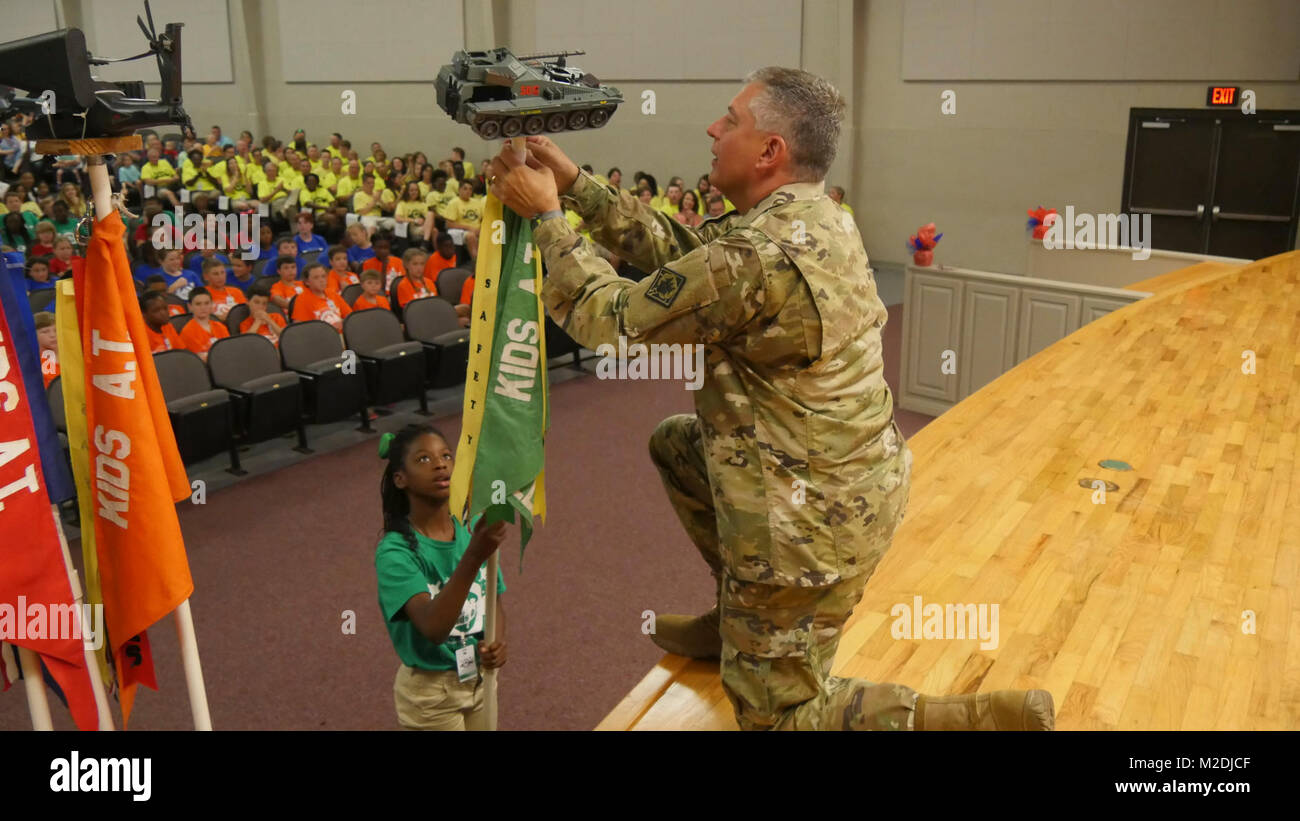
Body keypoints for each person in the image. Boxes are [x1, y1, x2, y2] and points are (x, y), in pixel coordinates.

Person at [486, 66, 1054, 732]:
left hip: (808, 526)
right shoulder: (816, 217)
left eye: (730, 119)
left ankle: (976, 719)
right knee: (677, 443)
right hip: (857, 488)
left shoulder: (757, 256)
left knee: (780, 716)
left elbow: (608, 320)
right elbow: (692, 263)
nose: (712, 128)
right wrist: (579, 185)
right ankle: (744, 616)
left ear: (768, 152)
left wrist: (549, 218)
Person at [374, 423, 508, 731]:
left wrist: (497, 640)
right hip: (431, 696)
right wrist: (474, 555)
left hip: (479, 679)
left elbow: (494, 598)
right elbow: (433, 628)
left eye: (446, 455)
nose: (440, 464)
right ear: (400, 479)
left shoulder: (469, 527)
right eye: (423, 459)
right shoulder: (395, 553)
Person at [292, 262, 352, 332]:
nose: (322, 280)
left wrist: (342, 323)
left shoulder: (332, 294)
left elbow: (349, 316)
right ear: (307, 282)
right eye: (316, 277)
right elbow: (299, 328)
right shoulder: (302, 299)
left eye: (323, 276)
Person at [179, 287, 230, 360]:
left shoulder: (220, 327)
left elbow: (229, 350)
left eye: (206, 303)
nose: (203, 307)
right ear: (190, 306)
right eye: (198, 304)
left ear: (212, 304)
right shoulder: (187, 332)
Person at [34, 312, 59, 388]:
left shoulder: (73, 353)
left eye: (56, 330)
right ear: (34, 335)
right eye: (45, 332)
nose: (53, 335)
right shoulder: (34, 361)